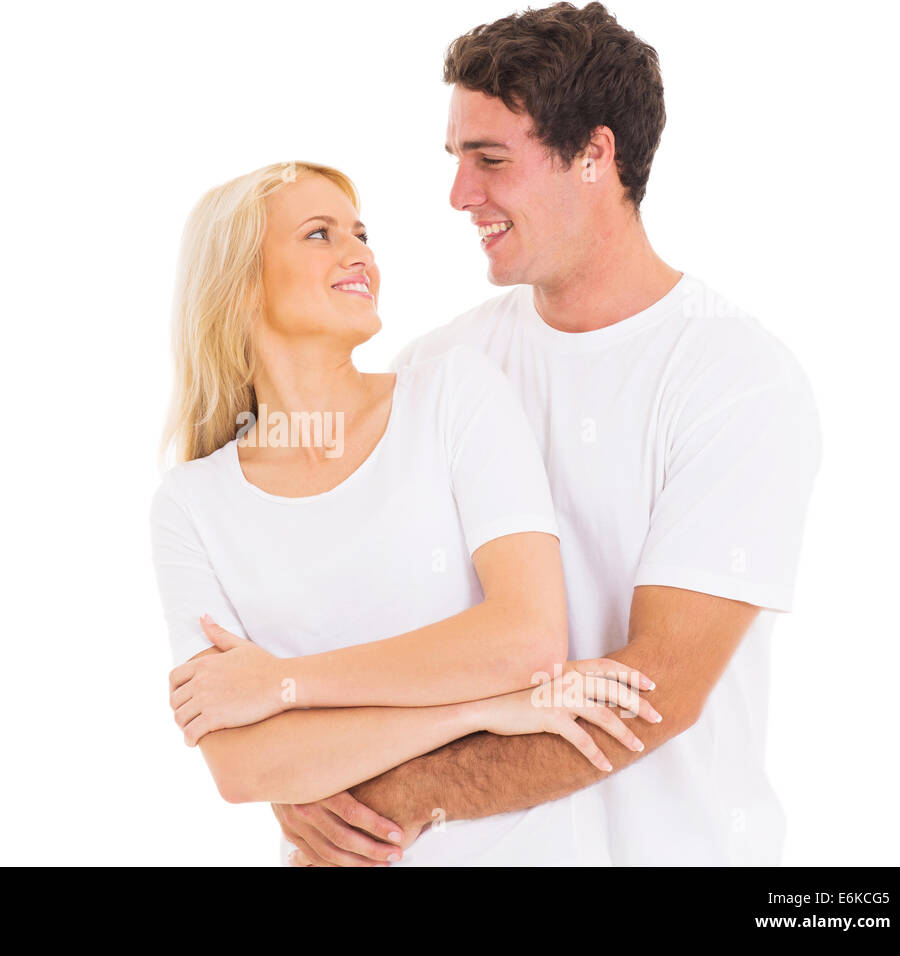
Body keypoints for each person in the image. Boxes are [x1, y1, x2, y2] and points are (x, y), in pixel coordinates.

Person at [273, 2, 822, 866]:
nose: (460, 196)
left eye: (490, 160)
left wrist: (394, 797)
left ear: (595, 156)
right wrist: (301, 778)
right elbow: (352, 615)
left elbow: (658, 691)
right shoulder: (438, 367)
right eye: (457, 160)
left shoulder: (734, 379)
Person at [149, 159, 662, 866]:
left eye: (361, 233)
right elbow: (244, 768)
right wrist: (483, 708)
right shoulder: (192, 504)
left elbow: (526, 638)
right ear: (239, 288)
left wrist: (282, 687)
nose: (358, 252)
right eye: (320, 234)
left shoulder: (452, 396)